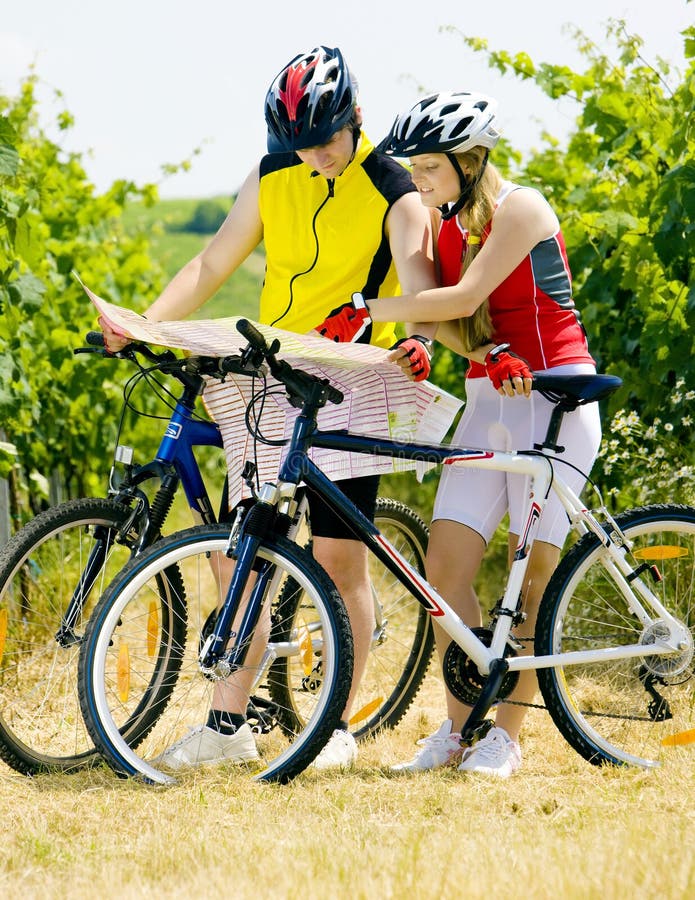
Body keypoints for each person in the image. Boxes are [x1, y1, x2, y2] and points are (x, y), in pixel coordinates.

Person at [100, 46, 436, 771]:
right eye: (299, 143)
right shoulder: (272, 173)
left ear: (354, 116)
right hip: (270, 376)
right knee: (238, 554)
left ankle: (335, 728)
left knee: (338, 561)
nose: (314, 155)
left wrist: (417, 339)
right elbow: (210, 263)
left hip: (351, 381)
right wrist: (145, 322)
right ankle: (229, 728)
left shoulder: (394, 188)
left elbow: (419, 284)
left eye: (325, 139)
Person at [317, 91, 602, 777]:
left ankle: (506, 737)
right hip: (489, 399)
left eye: (429, 168)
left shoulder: (522, 208)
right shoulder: (438, 222)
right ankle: (458, 726)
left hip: (556, 399)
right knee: (444, 573)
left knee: (531, 582)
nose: (417, 180)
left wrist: (365, 308)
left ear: (469, 163)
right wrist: (464, 349)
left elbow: (465, 298)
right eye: (413, 168)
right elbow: (442, 319)